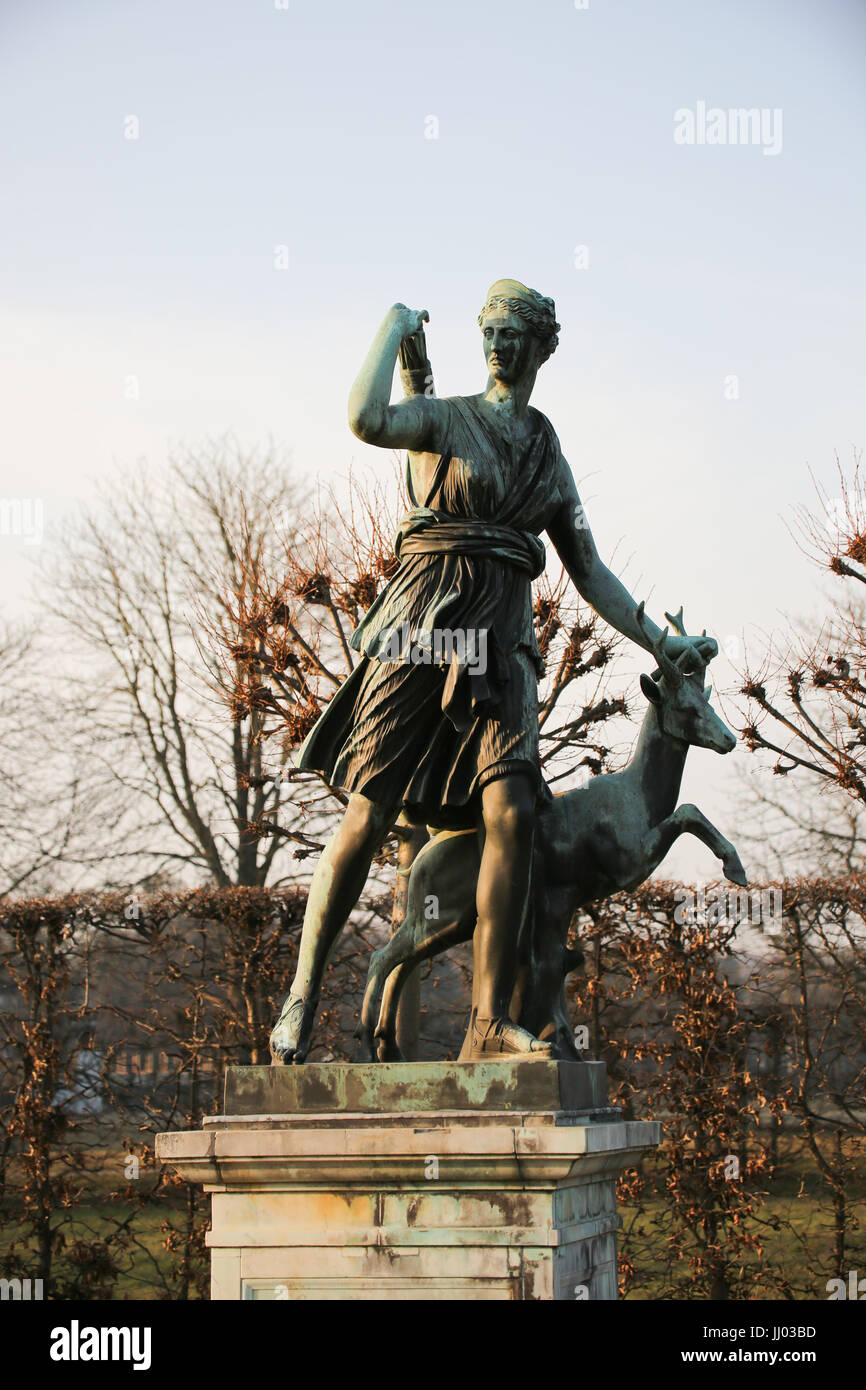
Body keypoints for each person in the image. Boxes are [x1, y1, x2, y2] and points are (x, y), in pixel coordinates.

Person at [270, 279, 716, 1063]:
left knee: (514, 814)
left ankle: (487, 1024)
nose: (500, 344)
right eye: (490, 331)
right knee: (370, 814)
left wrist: (658, 643)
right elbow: (365, 419)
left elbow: (593, 573)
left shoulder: (547, 454)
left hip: (503, 643)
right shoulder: (446, 418)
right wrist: (394, 328)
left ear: (543, 346)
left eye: (515, 333)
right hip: (423, 630)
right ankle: (302, 993)